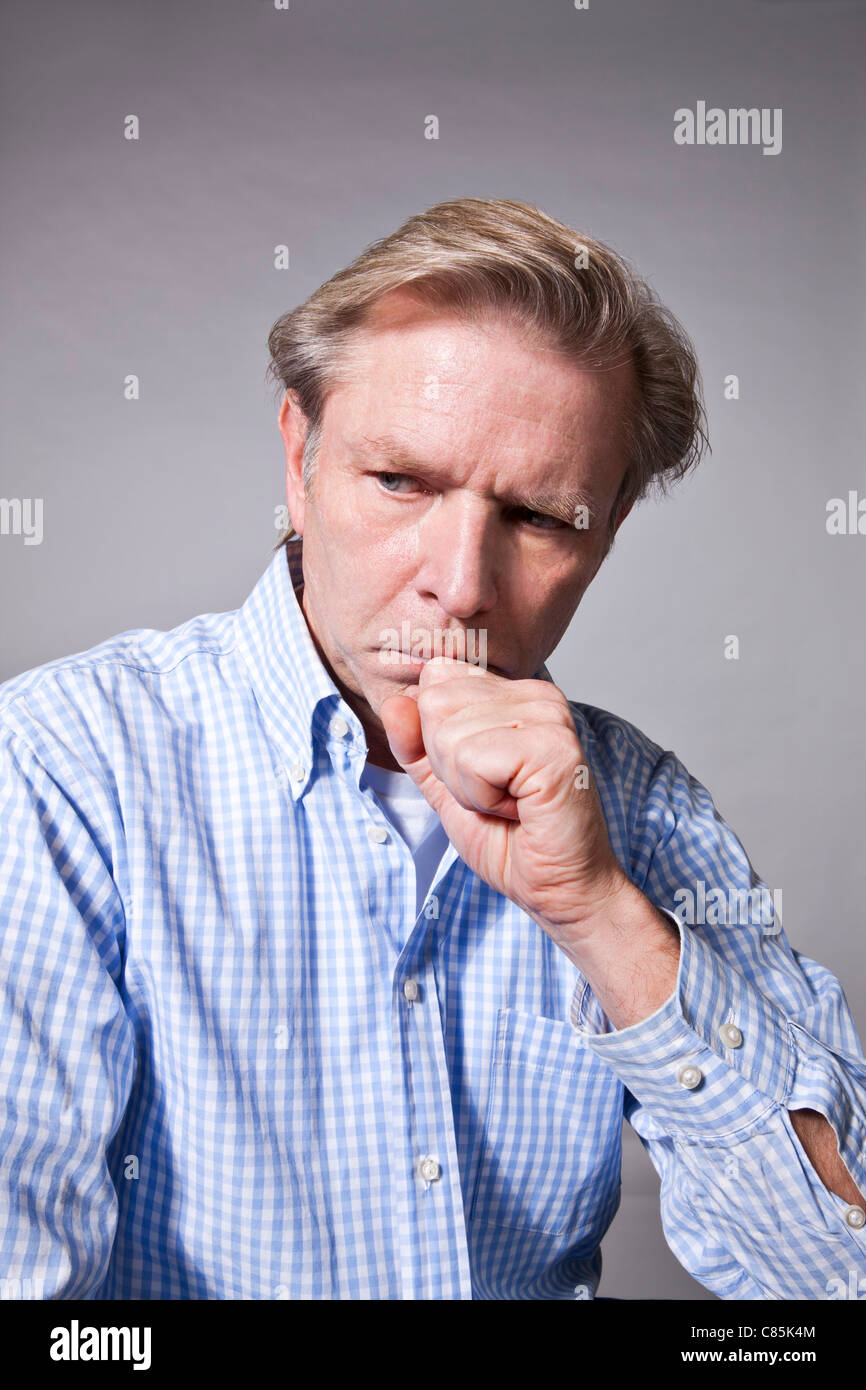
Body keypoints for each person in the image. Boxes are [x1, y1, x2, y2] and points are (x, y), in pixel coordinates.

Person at [1, 198, 864, 1302]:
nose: (457, 583)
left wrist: (601, 915)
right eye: (400, 481)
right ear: (297, 455)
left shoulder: (643, 813)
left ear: (608, 529)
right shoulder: (59, 770)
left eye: (541, 517)